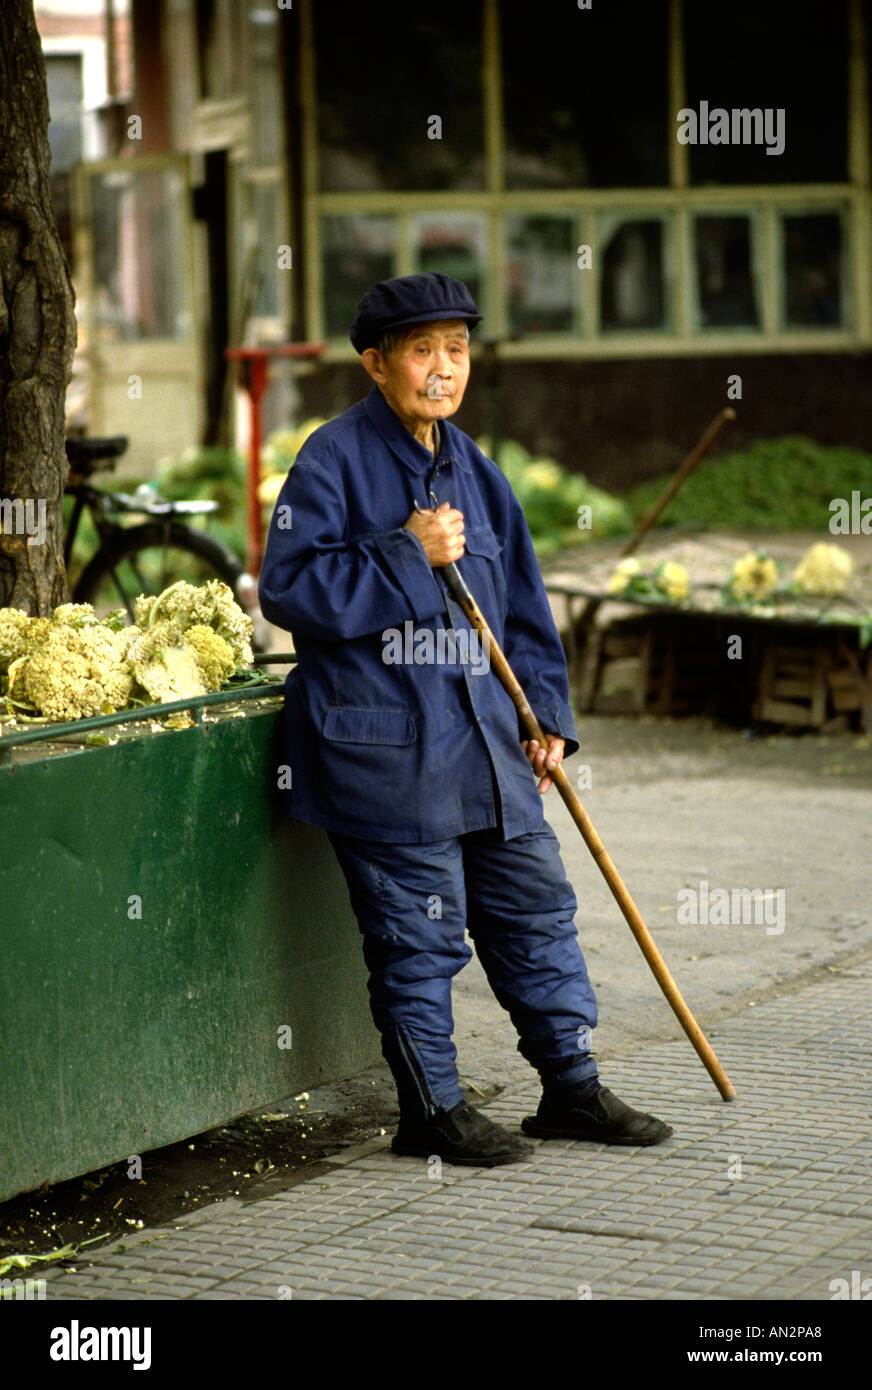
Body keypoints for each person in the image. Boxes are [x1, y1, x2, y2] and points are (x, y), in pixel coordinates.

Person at [258, 273, 672, 1166]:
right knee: (420, 938)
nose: (444, 368)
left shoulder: (475, 468)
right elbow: (290, 591)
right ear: (376, 364)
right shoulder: (330, 460)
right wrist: (406, 552)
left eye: (458, 349)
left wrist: (548, 719)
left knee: (537, 913)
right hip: (386, 755)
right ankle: (432, 1114)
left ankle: (571, 1090)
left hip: (488, 745)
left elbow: (522, 608)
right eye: (422, 351)